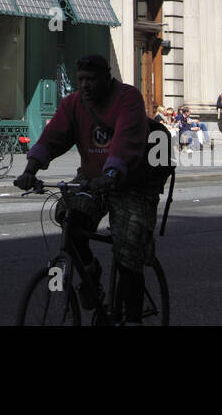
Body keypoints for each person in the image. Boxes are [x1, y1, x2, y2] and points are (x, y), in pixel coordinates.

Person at [13, 54, 158, 326]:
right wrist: (31, 169)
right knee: (70, 217)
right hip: (92, 178)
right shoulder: (73, 104)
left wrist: (112, 172)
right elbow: (52, 137)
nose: (85, 85)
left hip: (131, 183)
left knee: (128, 251)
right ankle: (91, 273)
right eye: (80, 80)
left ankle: (135, 318)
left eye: (91, 80)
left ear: (107, 78)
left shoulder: (127, 98)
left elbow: (126, 139)